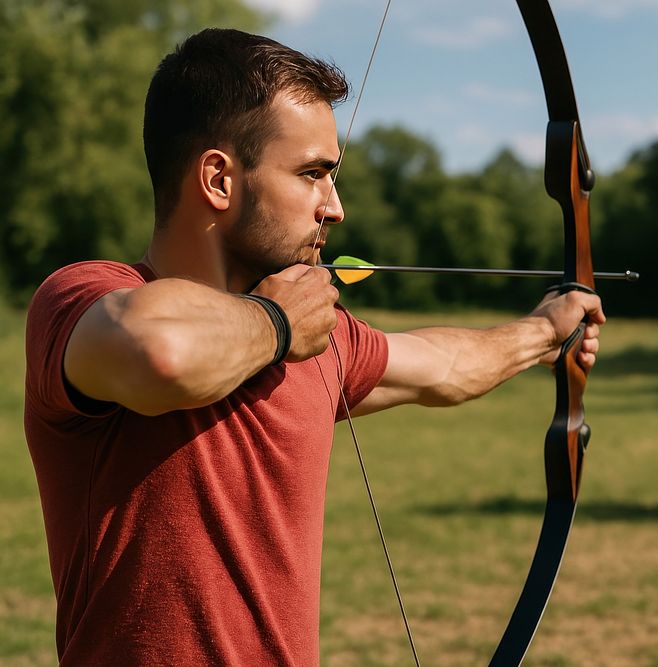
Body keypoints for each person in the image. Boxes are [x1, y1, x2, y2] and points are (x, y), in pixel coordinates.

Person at [22, 28, 604, 665]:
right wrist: (277, 322)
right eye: (313, 175)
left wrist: (547, 330)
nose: (337, 207)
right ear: (218, 180)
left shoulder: (318, 337)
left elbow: (444, 367)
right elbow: (159, 352)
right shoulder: (84, 299)